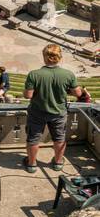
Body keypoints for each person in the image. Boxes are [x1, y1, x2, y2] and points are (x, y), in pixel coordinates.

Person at [23, 44, 81, 172]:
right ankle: (58, 163)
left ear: (44, 57)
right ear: (59, 57)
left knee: (33, 139)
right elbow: (78, 93)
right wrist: (65, 91)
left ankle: (32, 164)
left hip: (37, 112)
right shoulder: (68, 74)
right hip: (59, 113)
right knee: (59, 138)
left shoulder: (34, 74)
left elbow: (28, 95)